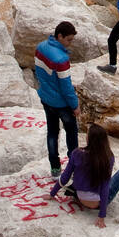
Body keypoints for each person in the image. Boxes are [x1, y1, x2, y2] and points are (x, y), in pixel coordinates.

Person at [47, 122, 119, 224]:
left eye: (87, 134)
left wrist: (52, 194)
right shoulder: (107, 157)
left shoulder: (77, 153)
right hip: (96, 204)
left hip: (80, 199)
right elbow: (105, 187)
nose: (86, 136)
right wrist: (102, 215)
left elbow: (65, 176)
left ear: (90, 139)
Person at [34, 21, 80, 177]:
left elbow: (39, 73)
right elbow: (66, 88)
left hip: (46, 98)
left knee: (52, 133)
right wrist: (75, 106)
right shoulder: (61, 59)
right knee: (71, 133)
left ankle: (55, 168)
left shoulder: (40, 47)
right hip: (61, 104)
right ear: (59, 36)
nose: (70, 44)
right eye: (68, 40)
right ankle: (73, 167)